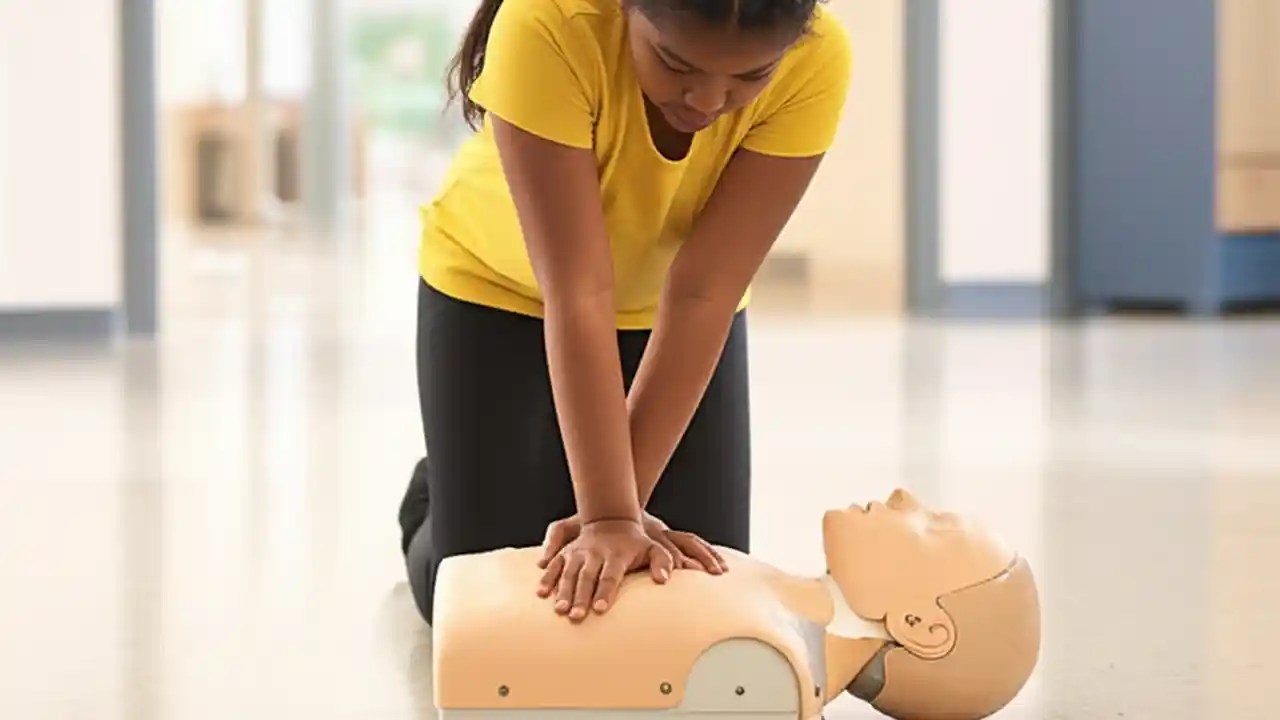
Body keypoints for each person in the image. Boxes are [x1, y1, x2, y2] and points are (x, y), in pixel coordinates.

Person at [398, 0, 853, 626]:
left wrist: (619, 518)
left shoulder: (818, 55)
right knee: (484, 598)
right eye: (675, 62)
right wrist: (610, 518)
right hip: (498, 286)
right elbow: (578, 290)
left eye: (750, 78)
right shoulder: (547, 23)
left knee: (691, 583)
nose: (706, 100)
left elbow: (704, 292)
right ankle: (435, 500)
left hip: (674, 304)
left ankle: (546, 481)